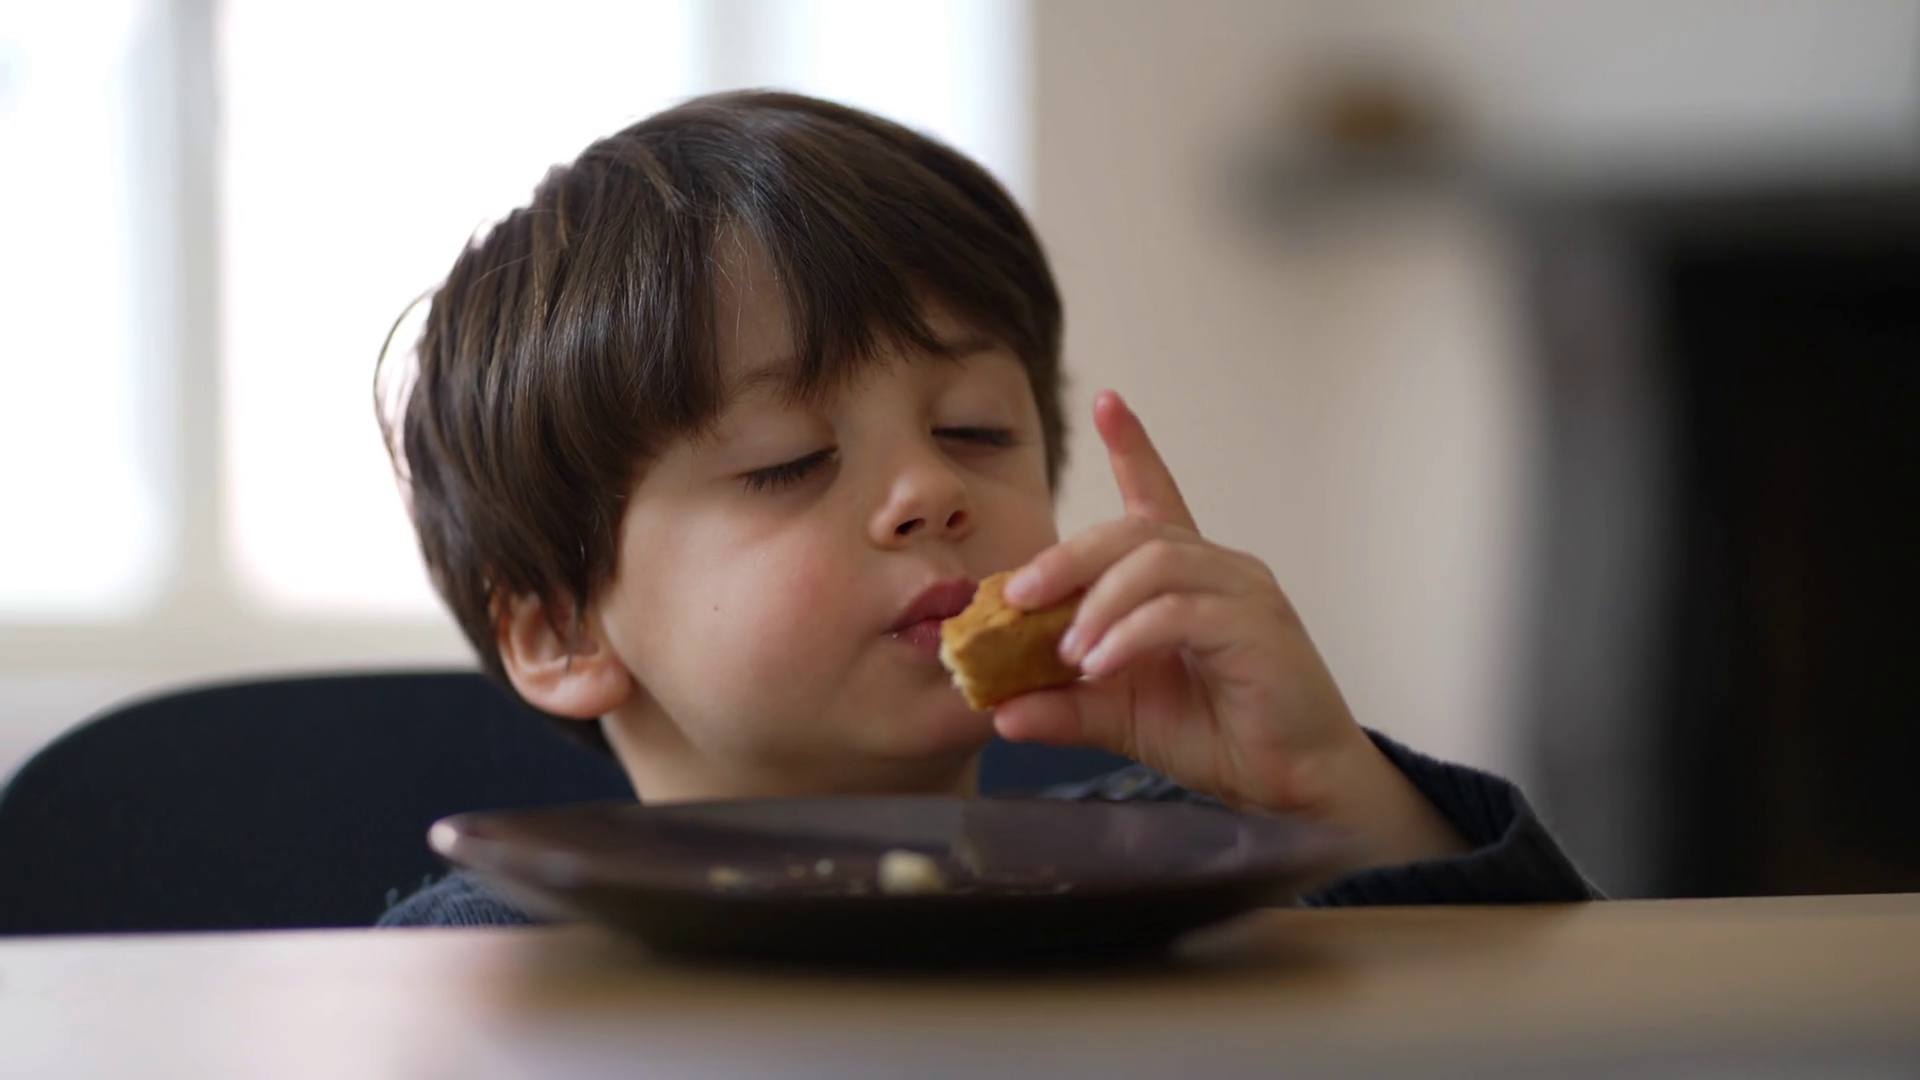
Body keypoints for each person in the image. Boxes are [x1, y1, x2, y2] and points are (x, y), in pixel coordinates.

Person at [377, 91, 1594, 927]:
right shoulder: (501, 951)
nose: (929, 492)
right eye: (790, 461)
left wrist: (1325, 788)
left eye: (975, 434)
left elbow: (1555, 1030)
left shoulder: (1183, 861)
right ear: (561, 630)